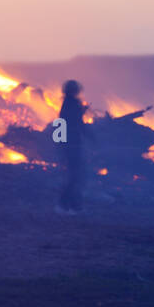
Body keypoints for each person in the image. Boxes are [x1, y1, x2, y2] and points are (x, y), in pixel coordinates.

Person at [57, 79, 89, 213]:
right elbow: (78, 124)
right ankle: (67, 206)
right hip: (74, 144)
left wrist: (59, 144)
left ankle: (70, 206)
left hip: (69, 144)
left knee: (74, 176)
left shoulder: (66, 104)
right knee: (76, 176)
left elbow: (61, 122)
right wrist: (92, 137)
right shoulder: (74, 104)